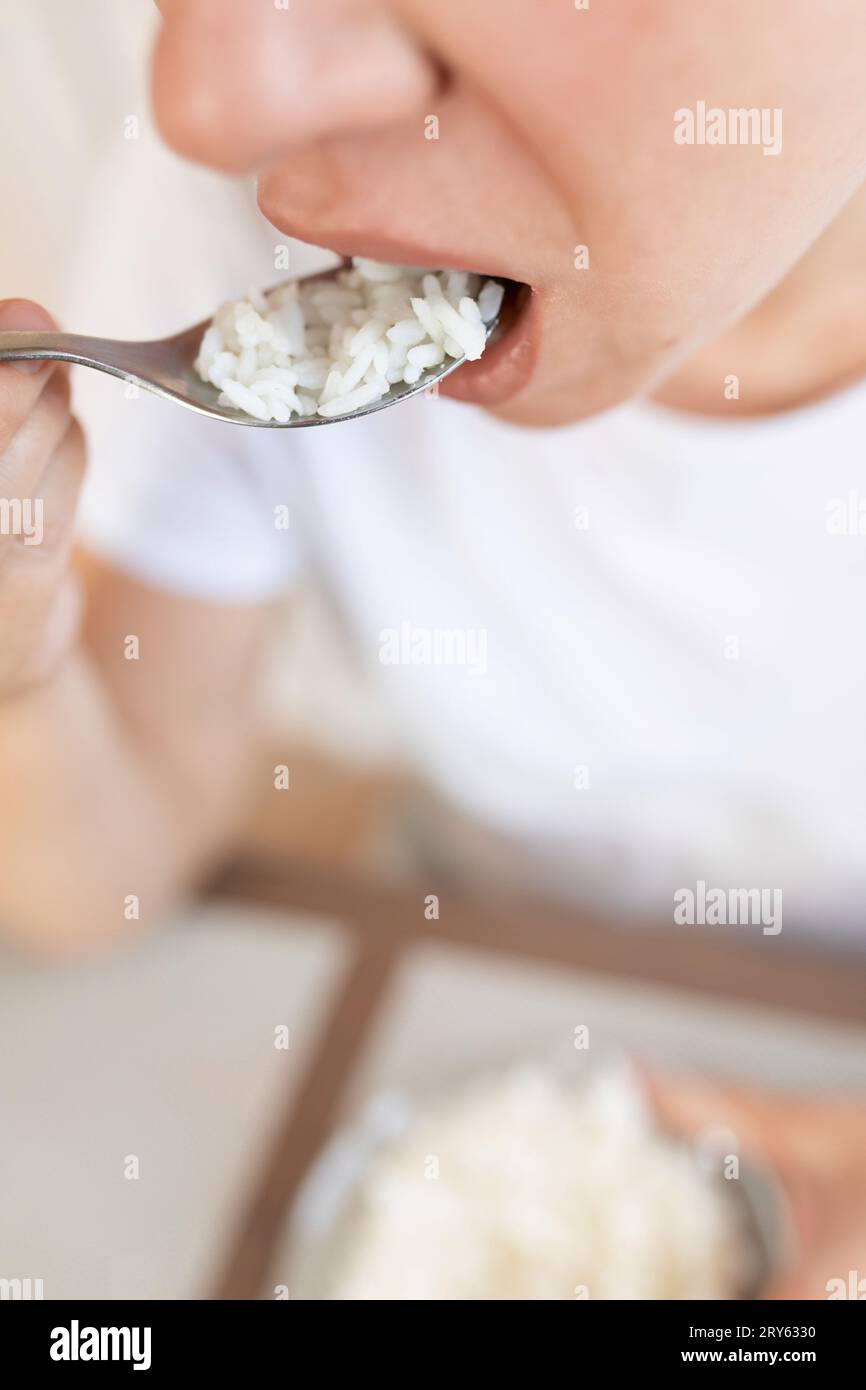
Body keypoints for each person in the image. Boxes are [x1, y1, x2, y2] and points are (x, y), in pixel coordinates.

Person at [1, 0, 865, 1297]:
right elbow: (97, 875)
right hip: (463, 1003)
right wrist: (19, 655)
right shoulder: (232, 217)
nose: (204, 97)